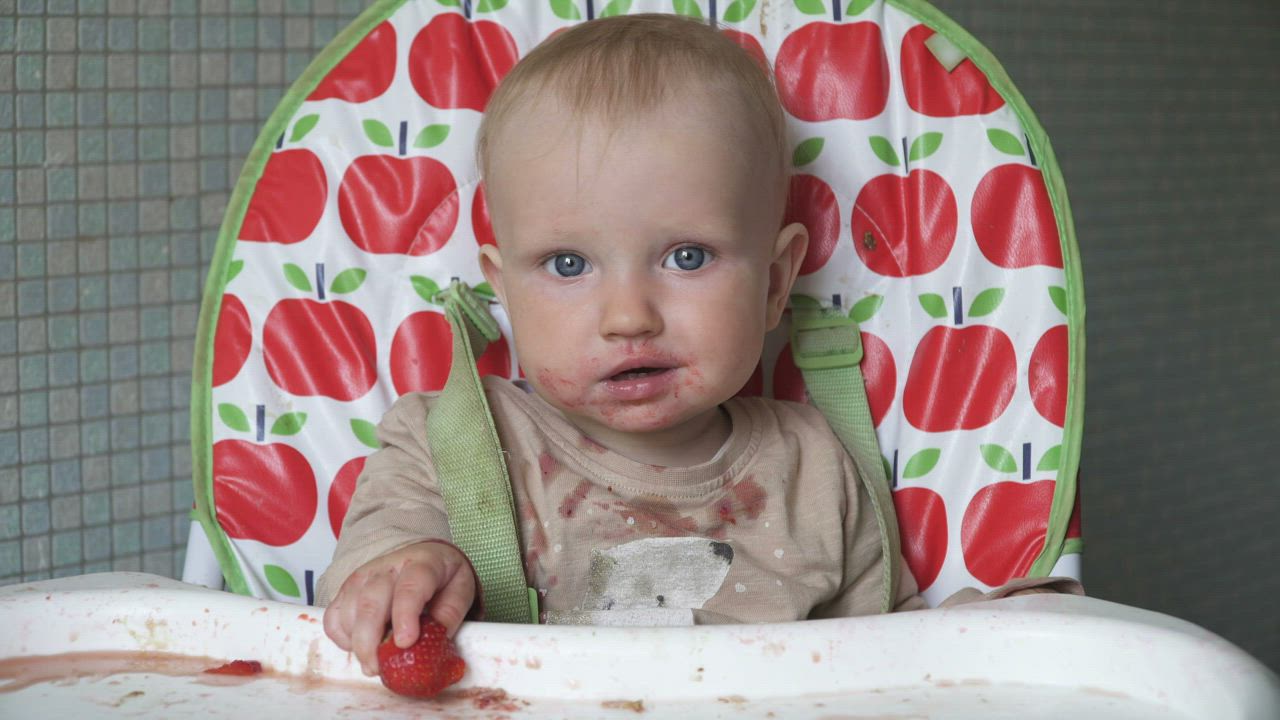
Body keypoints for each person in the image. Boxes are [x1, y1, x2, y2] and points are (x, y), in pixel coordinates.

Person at [317, 13, 1078, 676]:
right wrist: (403, 570)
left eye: (687, 257)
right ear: (504, 288)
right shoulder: (446, 441)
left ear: (777, 282)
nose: (628, 317)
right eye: (568, 264)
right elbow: (371, 561)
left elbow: (890, 659)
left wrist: (996, 633)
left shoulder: (816, 469)